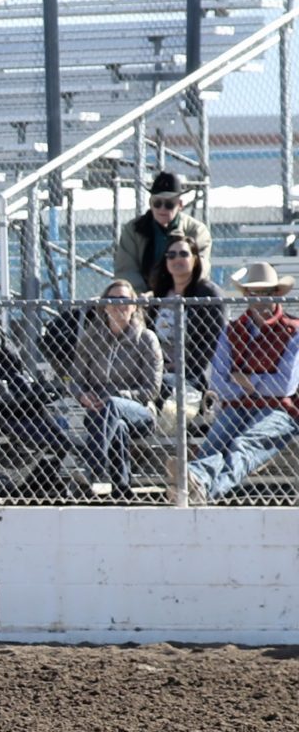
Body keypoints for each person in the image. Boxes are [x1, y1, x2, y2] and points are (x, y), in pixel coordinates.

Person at [175, 262, 299, 504]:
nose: (260, 298)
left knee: (243, 444)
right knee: (215, 444)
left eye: (266, 292)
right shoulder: (232, 330)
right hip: (238, 406)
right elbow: (218, 382)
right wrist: (257, 383)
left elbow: (285, 386)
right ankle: (197, 480)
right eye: (254, 292)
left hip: (281, 410)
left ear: (276, 294)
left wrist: (244, 380)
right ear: (246, 294)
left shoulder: (294, 330)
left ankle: (204, 489)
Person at [64, 279, 160, 497]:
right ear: (104, 306)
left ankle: (91, 469)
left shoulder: (146, 339)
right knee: (118, 426)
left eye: (125, 300)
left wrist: (115, 396)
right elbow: (75, 380)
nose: (119, 304)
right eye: (112, 300)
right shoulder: (91, 339)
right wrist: (83, 396)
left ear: (135, 305)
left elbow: (151, 389)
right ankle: (121, 491)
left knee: (114, 406)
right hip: (99, 413)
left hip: (140, 412)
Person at [148, 234, 225, 418]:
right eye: (171, 255)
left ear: (195, 259)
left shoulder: (207, 293)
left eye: (184, 254)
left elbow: (213, 342)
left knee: (162, 384)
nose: (177, 259)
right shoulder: (160, 294)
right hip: (158, 368)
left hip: (193, 373)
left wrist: (182, 365)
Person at [113, 171, 212, 295]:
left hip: (186, 296)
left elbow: (200, 269)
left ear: (180, 205)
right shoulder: (133, 230)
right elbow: (126, 270)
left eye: (169, 204)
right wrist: (141, 296)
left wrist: (175, 292)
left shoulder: (197, 231)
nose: (162, 209)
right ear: (150, 204)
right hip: (142, 298)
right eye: (157, 203)